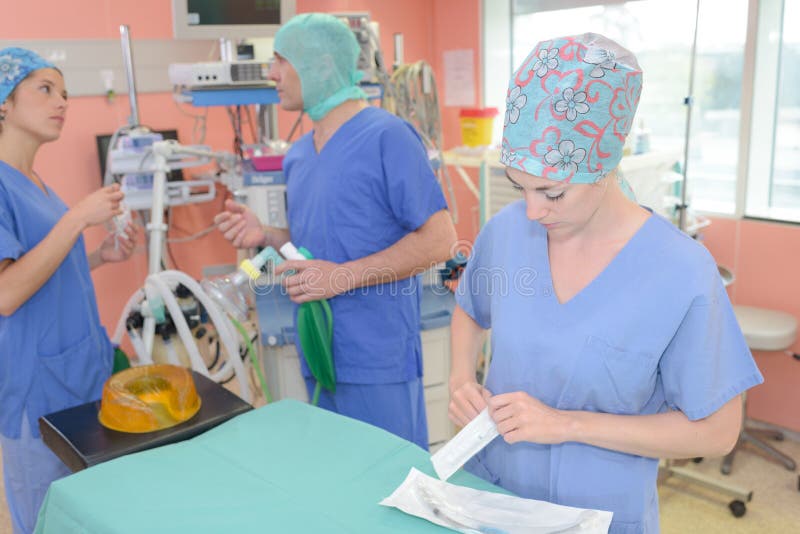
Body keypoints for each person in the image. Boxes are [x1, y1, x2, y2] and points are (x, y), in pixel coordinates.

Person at [448, 33, 763, 533]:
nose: (532, 210)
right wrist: (461, 379)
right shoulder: (508, 232)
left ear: (603, 167)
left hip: (598, 516)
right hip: (490, 497)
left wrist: (567, 424)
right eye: (520, 186)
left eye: (552, 192)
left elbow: (718, 432)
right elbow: (469, 309)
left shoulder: (679, 272)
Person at [214, 14, 457, 449]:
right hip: (320, 350)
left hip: (377, 356)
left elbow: (439, 239)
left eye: (281, 61)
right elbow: (321, 238)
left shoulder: (389, 137)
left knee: (390, 485)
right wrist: (266, 234)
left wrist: (340, 277)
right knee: (339, 482)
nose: (271, 74)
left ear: (320, 65)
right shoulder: (299, 155)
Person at [0, 47, 136, 534]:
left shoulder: (33, 181)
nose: (61, 101)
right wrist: (78, 217)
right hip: (36, 389)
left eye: (64, 93)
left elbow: (47, 269)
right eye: (44, 89)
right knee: (47, 518)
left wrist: (102, 256)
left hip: (78, 373)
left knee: (84, 511)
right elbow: (7, 293)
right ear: (3, 103)